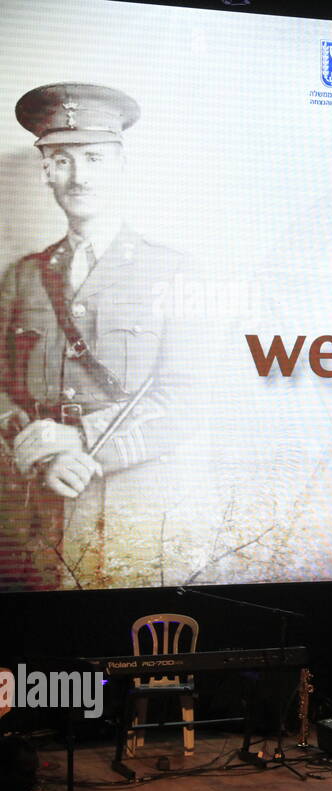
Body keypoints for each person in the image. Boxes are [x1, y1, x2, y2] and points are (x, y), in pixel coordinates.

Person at [0, 83, 192, 590]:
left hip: (132, 516)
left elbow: (193, 399)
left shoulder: (174, 272)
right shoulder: (23, 276)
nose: (79, 177)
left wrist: (81, 441)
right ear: (47, 173)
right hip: (35, 515)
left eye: (93, 157)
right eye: (61, 160)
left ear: (122, 165)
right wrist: (36, 448)